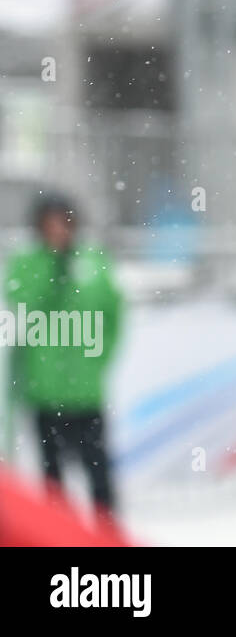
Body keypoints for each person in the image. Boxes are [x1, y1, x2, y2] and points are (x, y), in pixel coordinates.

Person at [5, 193, 124, 522]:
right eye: (50, 223)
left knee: (97, 470)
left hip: (86, 390)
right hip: (45, 390)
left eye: (63, 221)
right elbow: (20, 303)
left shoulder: (93, 260)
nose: (58, 230)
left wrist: (99, 360)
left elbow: (113, 314)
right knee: (52, 478)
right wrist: (53, 272)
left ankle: (106, 535)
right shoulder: (27, 263)